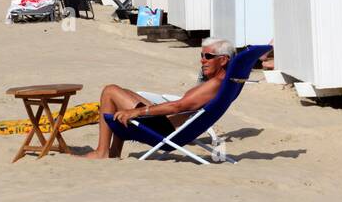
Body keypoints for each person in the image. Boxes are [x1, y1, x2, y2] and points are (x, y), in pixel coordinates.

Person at [84, 38, 234, 160]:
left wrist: (139, 112)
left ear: (223, 60)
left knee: (110, 91)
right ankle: (114, 151)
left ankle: (102, 152)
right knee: (124, 92)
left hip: (166, 130)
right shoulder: (225, 84)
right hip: (169, 124)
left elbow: (178, 107)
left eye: (208, 56)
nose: (202, 60)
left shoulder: (214, 84)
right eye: (201, 56)